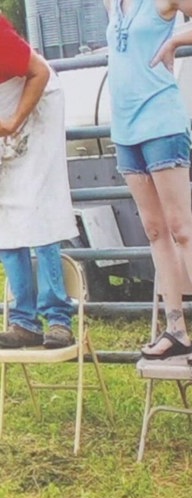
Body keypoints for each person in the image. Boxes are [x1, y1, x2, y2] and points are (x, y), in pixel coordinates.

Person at [104, 0, 192, 367]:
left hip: (161, 119)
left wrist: (176, 41)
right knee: (154, 229)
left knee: (181, 227)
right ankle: (175, 330)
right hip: (125, 127)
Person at [0, 13, 79, 351]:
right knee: (4, 212)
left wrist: (15, 120)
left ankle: (57, 317)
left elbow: (39, 72)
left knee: (39, 203)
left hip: (36, 95)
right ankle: (23, 321)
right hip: (6, 99)